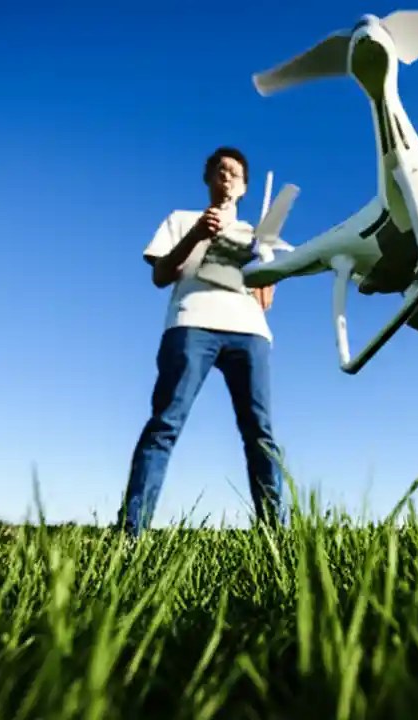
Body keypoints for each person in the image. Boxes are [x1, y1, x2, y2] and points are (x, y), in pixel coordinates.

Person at [120, 146, 284, 536]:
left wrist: (265, 263)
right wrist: (197, 235)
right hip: (192, 323)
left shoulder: (256, 234)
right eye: (220, 170)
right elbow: (161, 275)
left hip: (250, 333)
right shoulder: (182, 219)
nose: (227, 176)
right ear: (208, 178)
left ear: (244, 187)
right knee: (165, 423)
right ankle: (132, 533)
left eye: (235, 173)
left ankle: (275, 537)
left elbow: (264, 302)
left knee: (259, 431)